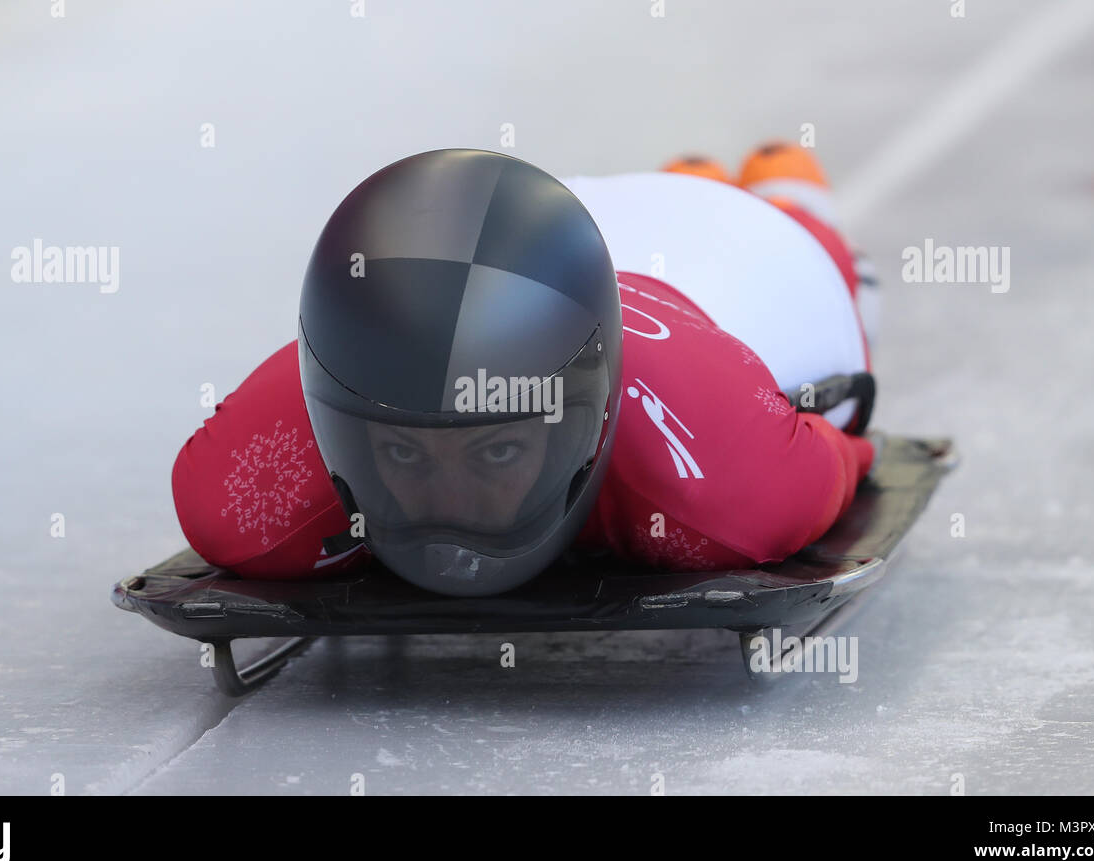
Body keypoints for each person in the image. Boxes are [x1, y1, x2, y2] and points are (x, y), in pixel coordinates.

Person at [171, 145, 877, 596]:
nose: (451, 506)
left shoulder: (729, 483)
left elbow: (850, 449)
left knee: (809, 249)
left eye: (497, 448)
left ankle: (789, 203)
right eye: (400, 448)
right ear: (336, 420)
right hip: (562, 232)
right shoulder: (244, 491)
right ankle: (701, 180)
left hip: (754, 258)